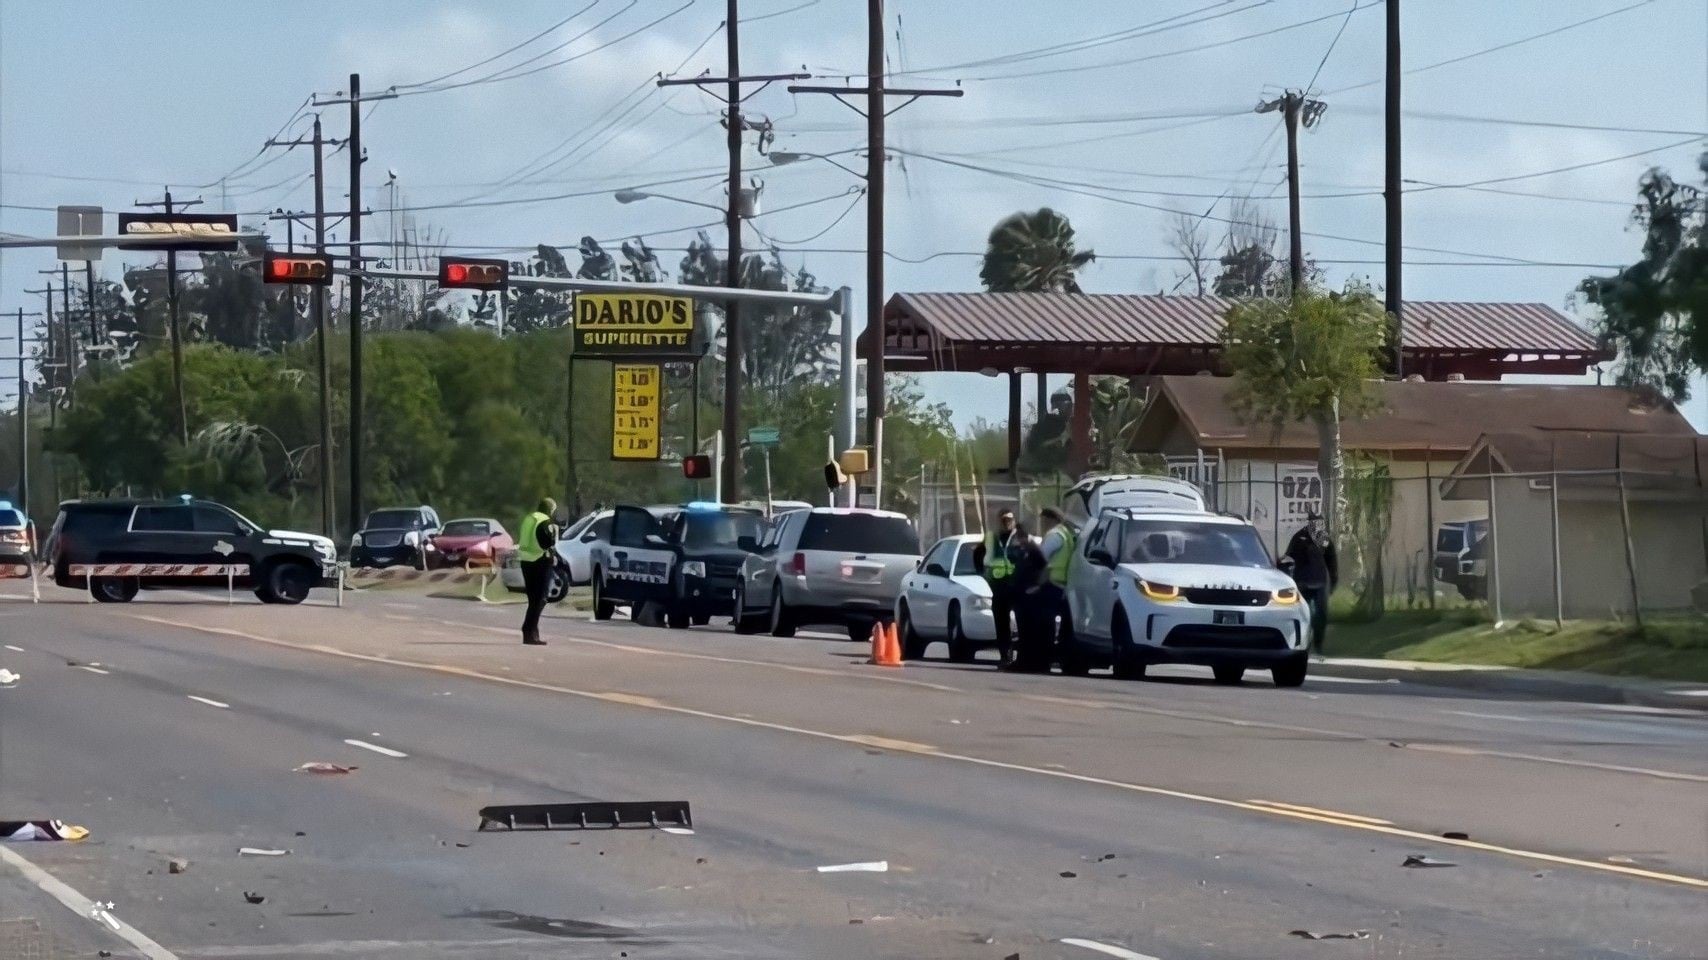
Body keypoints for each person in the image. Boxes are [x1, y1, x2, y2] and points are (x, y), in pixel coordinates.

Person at [974, 509, 1037, 670]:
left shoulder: (1022, 536)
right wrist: (981, 573)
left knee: (1023, 623)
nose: (1006, 523)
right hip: (999, 586)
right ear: (998, 521)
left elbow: (1035, 556)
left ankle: (1023, 657)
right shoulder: (991, 537)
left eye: (1009, 520)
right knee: (1001, 624)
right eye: (1003, 520)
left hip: (1017, 586)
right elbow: (978, 554)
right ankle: (1005, 656)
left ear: (1014, 520)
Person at [1283, 509, 1337, 654]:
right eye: (1314, 522)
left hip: (1320, 583)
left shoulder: (1324, 539)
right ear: (1309, 523)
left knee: (1321, 615)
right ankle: (1302, 644)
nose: (1317, 525)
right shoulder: (1299, 537)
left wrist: (1333, 580)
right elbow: (1289, 558)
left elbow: (1331, 561)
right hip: (1302, 582)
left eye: (1320, 522)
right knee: (1302, 615)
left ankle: (1318, 645)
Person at [1033, 506, 1077, 663]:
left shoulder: (1054, 535)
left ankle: (1045, 656)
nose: (1042, 523)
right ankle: (1055, 655)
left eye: (1043, 520)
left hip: (1050, 583)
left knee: (1046, 623)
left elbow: (1041, 559)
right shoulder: (1067, 534)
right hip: (1062, 585)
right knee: (1058, 624)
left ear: (1050, 519)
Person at [516, 498, 562, 646]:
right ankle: (529, 630)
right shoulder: (546, 522)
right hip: (540, 561)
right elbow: (547, 542)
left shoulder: (530, 518)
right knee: (540, 599)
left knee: (532, 599)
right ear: (550, 509)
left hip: (525, 561)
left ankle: (530, 631)